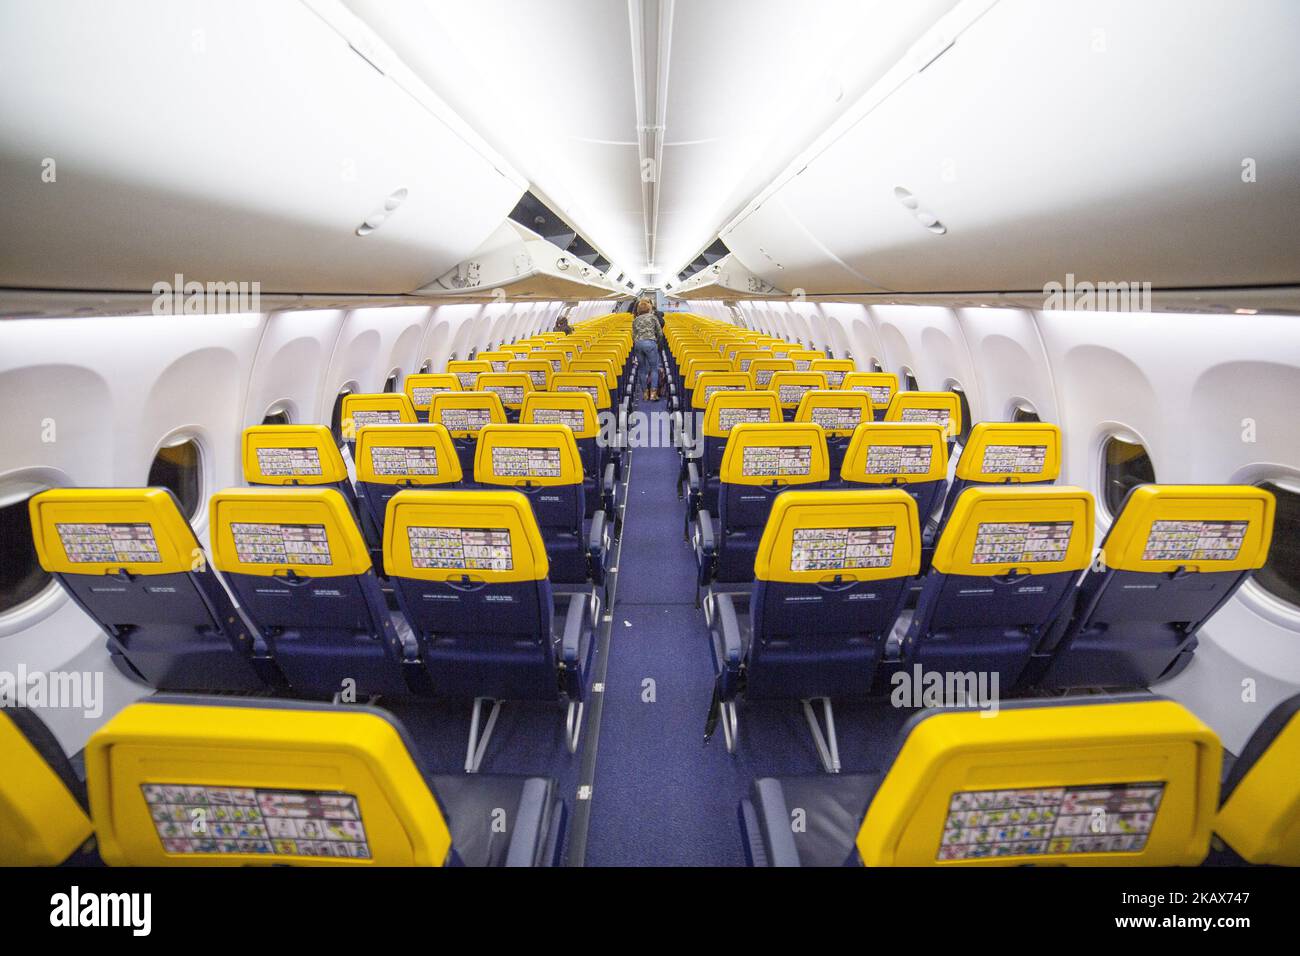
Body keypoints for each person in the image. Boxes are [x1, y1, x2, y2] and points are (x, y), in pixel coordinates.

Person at [631, 298, 664, 401]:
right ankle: (653, 394)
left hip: (638, 344)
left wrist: (637, 343)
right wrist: (656, 343)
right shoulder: (653, 318)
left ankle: (645, 393)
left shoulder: (636, 320)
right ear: (649, 308)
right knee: (654, 368)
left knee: (641, 369)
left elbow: (633, 335)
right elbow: (660, 333)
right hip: (650, 343)